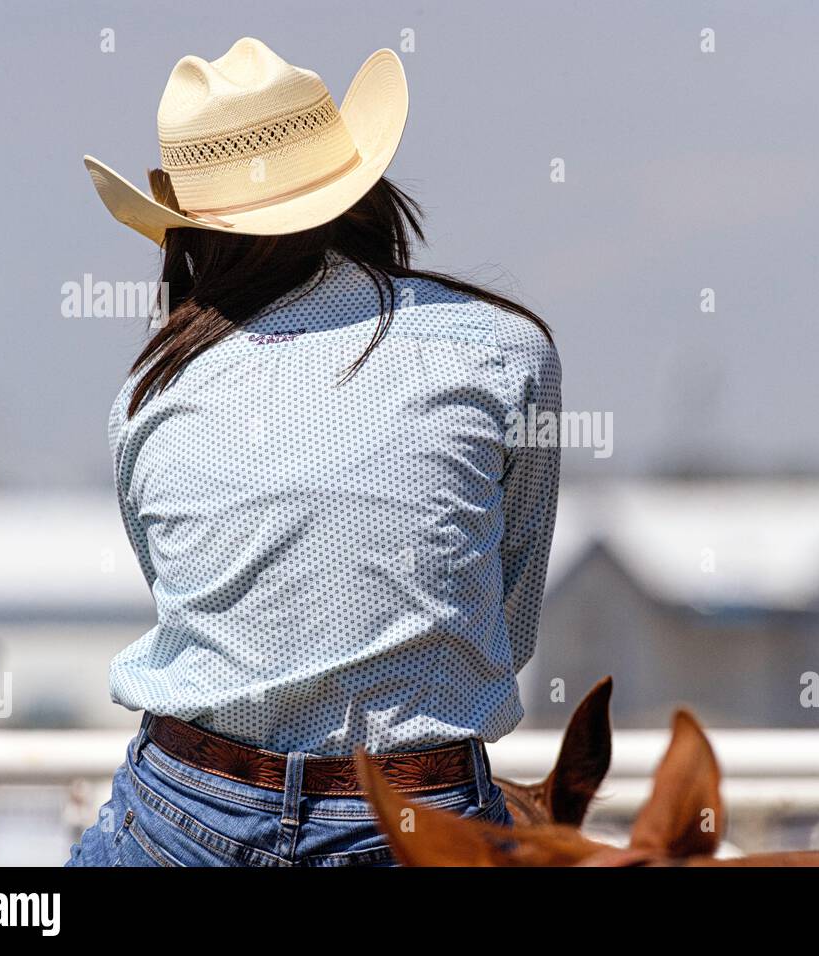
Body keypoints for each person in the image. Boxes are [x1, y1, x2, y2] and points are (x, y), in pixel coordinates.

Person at [66, 37, 560, 867]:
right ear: (359, 183)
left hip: (186, 807)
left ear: (187, 229)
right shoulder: (502, 349)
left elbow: (192, 604)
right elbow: (505, 619)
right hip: (418, 815)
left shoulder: (150, 394)